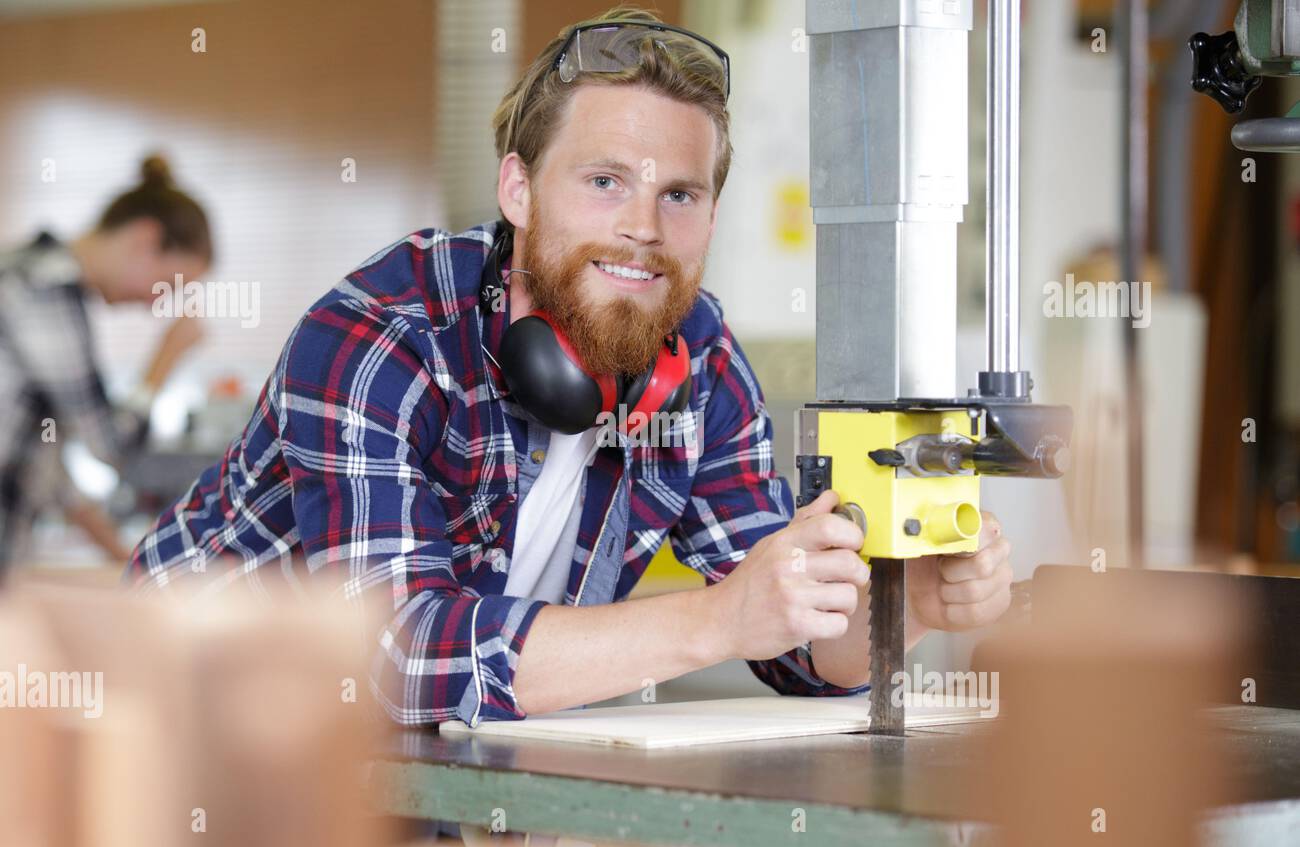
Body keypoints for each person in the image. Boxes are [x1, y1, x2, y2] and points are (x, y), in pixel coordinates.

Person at [125, 7, 1013, 727]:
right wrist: (713, 618)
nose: (644, 227)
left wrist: (908, 608)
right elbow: (398, 657)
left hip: (406, 758)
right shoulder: (377, 337)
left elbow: (788, 642)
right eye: (604, 181)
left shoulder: (697, 359)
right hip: (174, 723)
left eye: (680, 194)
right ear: (517, 190)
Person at [0, 154, 209, 579]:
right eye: (169, 285)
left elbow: (45, 466)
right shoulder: (42, 289)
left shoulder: (28, 273)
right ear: (145, 239)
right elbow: (110, 446)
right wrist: (165, 358)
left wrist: (123, 555)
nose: (158, 306)